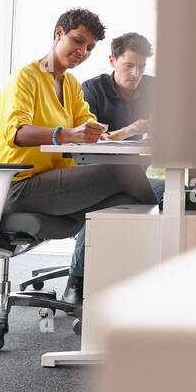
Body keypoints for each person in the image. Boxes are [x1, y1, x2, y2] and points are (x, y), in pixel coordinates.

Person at [0, 9, 160, 310]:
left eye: (90, 47)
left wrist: (118, 135)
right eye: (78, 41)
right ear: (58, 34)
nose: (82, 52)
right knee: (125, 178)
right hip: (18, 187)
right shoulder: (25, 78)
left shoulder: (70, 86)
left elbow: (94, 134)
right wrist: (66, 134)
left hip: (52, 185)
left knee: (128, 197)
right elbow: (18, 133)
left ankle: (117, 283)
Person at [66, 31, 163, 300]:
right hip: (92, 175)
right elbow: (84, 140)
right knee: (104, 199)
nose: (135, 73)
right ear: (112, 60)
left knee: (174, 194)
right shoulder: (92, 90)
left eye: (141, 67)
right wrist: (129, 130)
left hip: (133, 176)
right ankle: (77, 281)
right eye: (129, 65)